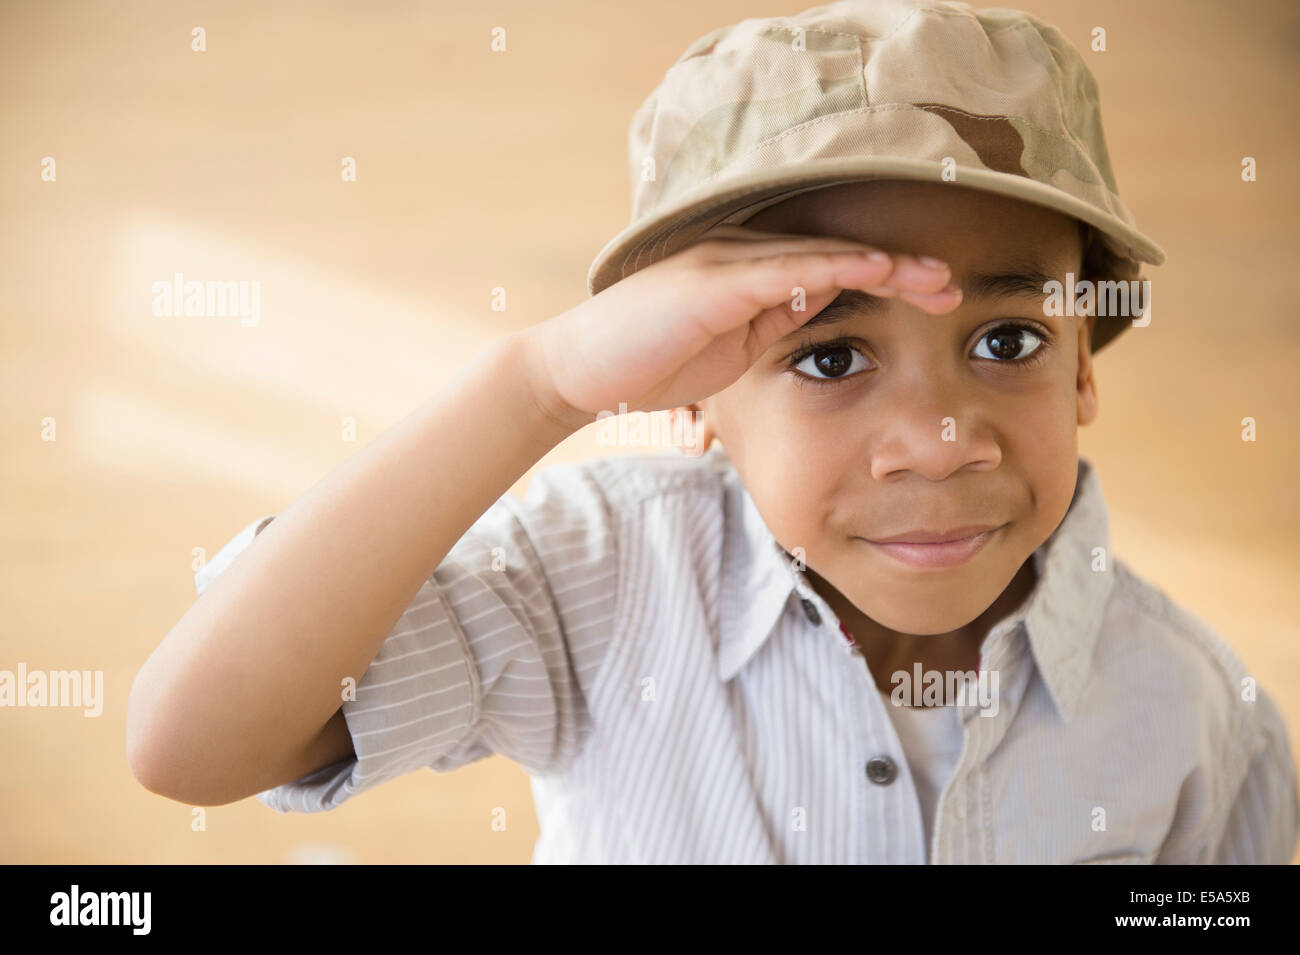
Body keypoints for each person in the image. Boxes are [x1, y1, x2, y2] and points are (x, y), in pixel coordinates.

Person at [127, 0, 1299, 863]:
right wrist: (537, 381)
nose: (939, 442)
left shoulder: (1194, 715)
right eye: (829, 355)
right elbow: (193, 744)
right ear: (692, 391)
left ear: (1083, 359)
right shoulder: (594, 581)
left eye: (1007, 343)